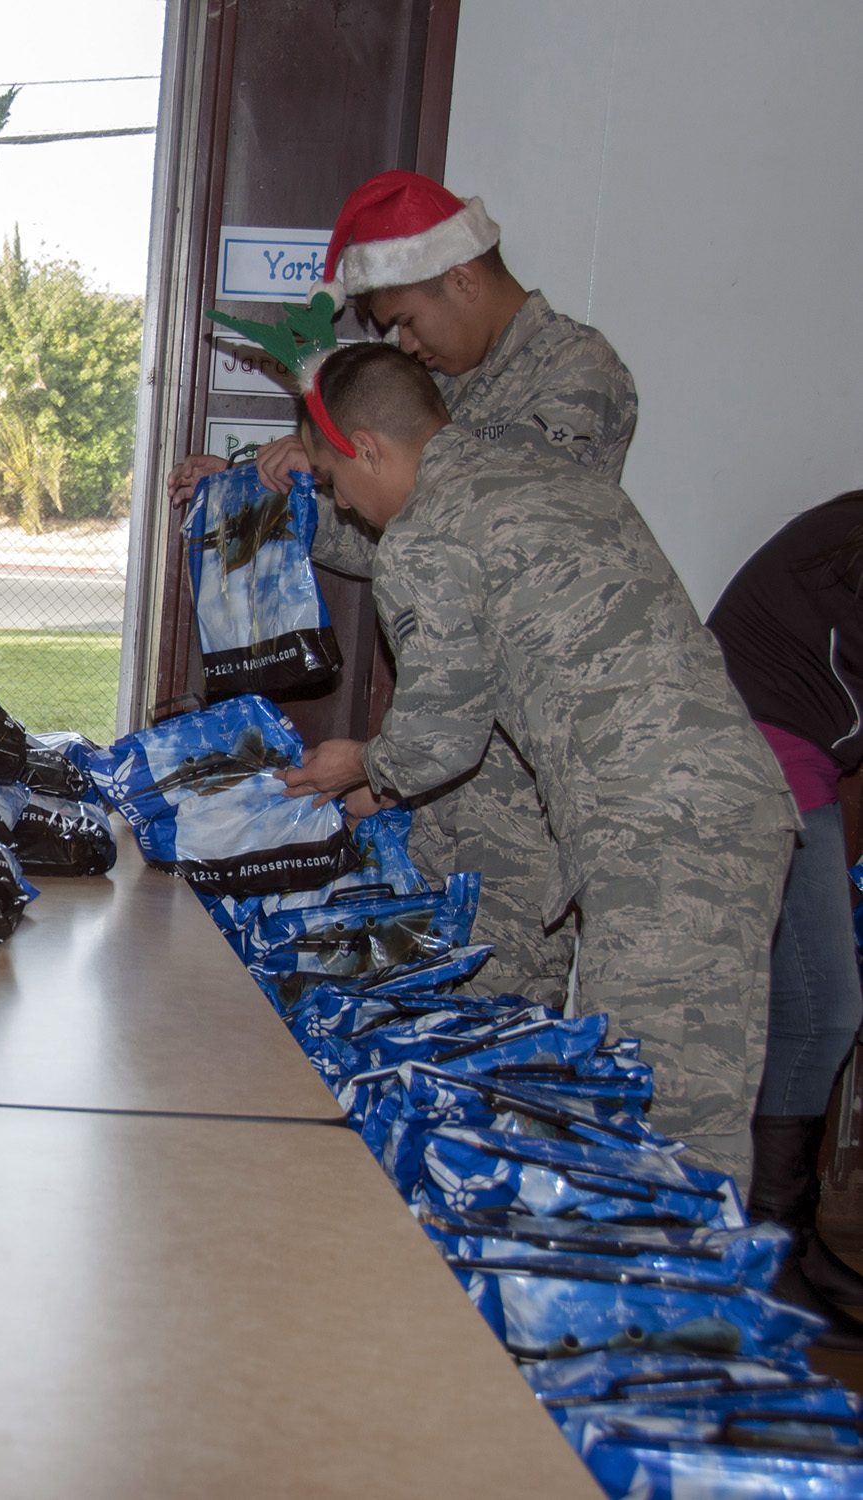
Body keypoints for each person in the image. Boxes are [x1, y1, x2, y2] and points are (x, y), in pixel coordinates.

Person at [279, 342, 795, 1186]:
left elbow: (441, 737)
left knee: (651, 1126)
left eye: (337, 486)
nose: (353, 512)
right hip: (724, 804)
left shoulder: (425, 535)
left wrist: (361, 767)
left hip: (655, 833)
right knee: (688, 1104)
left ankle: (655, 1306)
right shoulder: (552, 478)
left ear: (367, 448)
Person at [171, 171, 639, 1008]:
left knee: (499, 1004)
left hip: (521, 771)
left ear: (460, 277)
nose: (410, 346)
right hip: (440, 761)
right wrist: (274, 496)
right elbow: (383, 532)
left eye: (407, 322)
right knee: (418, 998)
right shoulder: (450, 388)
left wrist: (334, 455)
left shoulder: (576, 370)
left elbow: (480, 523)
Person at [708, 494, 863, 1331]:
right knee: (821, 1011)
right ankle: (769, 1253)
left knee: (813, 1011)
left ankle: (793, 1243)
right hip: (766, 748)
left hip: (799, 752)